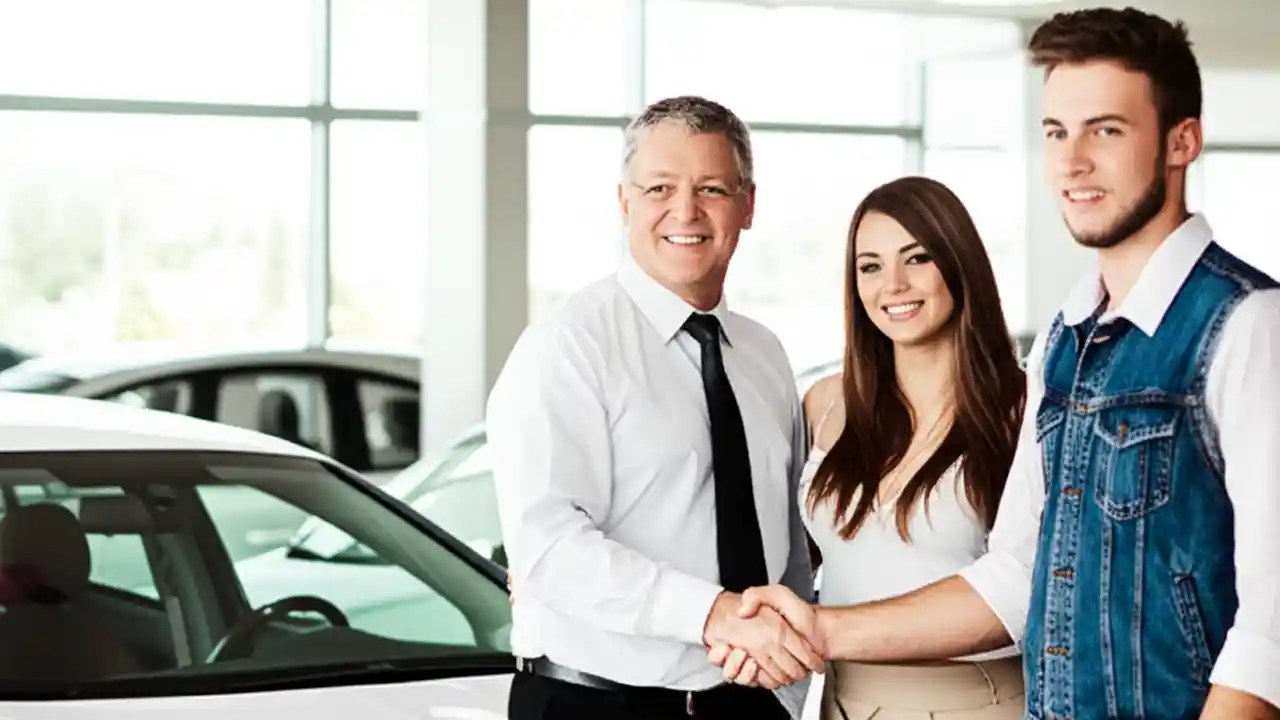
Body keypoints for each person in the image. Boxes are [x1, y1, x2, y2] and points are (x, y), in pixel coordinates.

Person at [713, 8, 1280, 720]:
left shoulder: (1250, 324)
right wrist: (822, 627)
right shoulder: (1065, 343)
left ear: (1181, 141)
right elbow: (1018, 580)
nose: (1072, 161)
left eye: (1105, 130)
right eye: (1055, 132)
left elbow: (1273, 625)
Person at [486, 95, 821, 720]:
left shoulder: (764, 355)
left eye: (712, 189)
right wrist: (715, 615)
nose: (685, 211)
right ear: (624, 203)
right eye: (660, 187)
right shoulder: (567, 347)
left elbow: (789, 546)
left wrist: (784, 691)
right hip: (596, 704)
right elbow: (549, 548)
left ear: (748, 205)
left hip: (748, 705)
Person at [717, 176, 1028, 718]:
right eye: (870, 266)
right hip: (841, 700)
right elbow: (794, 561)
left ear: (960, 264)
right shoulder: (826, 404)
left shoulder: (1021, 411)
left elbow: (1030, 586)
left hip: (976, 701)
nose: (894, 285)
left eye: (918, 259)